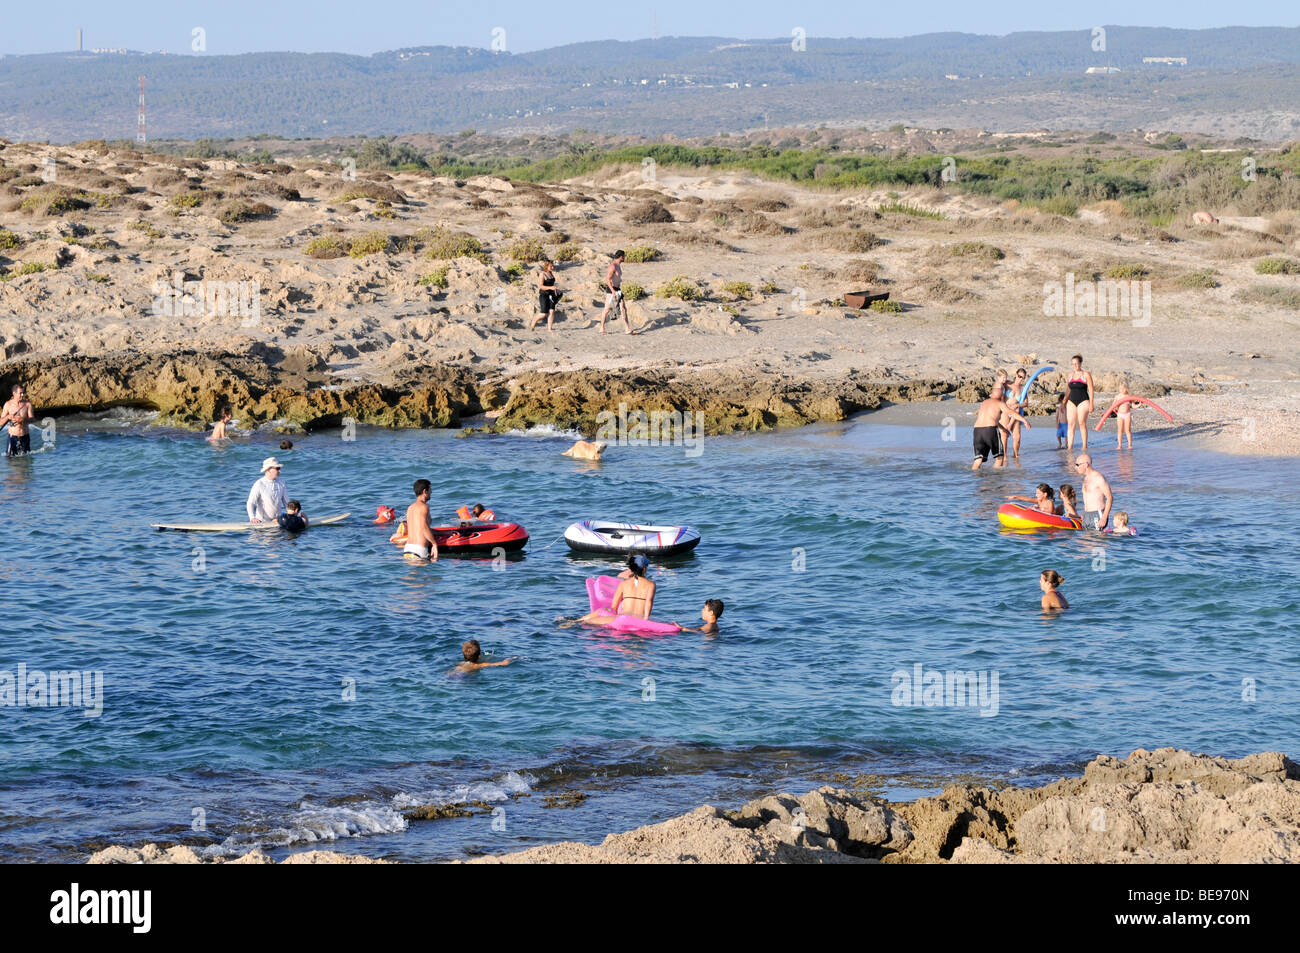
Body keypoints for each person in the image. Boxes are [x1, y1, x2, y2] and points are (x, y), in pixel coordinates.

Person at [581, 554, 657, 623]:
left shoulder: (623, 584)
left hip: (622, 619)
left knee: (590, 619)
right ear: (644, 569)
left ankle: (576, 622)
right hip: (638, 621)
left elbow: (614, 608)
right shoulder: (651, 585)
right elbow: (648, 603)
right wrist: (646, 620)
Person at [971, 384, 1030, 470]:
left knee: (978, 460)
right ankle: (994, 480)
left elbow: (991, 418)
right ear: (1002, 397)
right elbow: (1012, 412)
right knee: (999, 459)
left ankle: (973, 479)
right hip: (990, 431)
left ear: (991, 395)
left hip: (977, 431)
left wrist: (1003, 429)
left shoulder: (984, 403)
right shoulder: (1000, 403)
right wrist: (1025, 421)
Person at [597, 250, 635, 335]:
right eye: (624, 256)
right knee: (607, 309)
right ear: (621, 257)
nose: (625, 257)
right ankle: (601, 327)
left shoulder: (618, 266)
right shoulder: (613, 266)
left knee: (623, 308)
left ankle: (627, 329)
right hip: (611, 290)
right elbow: (607, 279)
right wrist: (613, 291)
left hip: (618, 289)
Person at [402, 479, 439, 562]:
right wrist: (434, 544)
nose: (431, 492)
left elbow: (418, 528)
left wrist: (443, 533)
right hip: (419, 550)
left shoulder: (410, 508)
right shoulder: (424, 507)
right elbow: (424, 528)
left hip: (408, 549)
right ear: (425, 491)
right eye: (430, 489)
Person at [1075, 453, 1113, 531]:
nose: (1075, 467)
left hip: (1097, 515)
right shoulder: (1086, 478)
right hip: (1087, 515)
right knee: (1087, 542)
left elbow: (1110, 498)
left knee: (1096, 541)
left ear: (1086, 464)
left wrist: (1104, 518)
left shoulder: (1099, 478)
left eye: (1077, 465)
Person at [1064, 354, 1094, 451]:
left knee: (1081, 423)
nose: (1075, 365)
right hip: (1071, 402)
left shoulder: (1086, 374)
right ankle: (1070, 446)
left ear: (1080, 363)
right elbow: (1068, 390)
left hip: (1083, 401)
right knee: (1071, 424)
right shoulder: (1070, 375)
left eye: (1076, 363)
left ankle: (1084, 446)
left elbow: (1091, 389)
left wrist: (1091, 403)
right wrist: (1064, 400)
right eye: (1073, 364)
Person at [246, 457, 288, 523]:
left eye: (279, 468)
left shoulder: (281, 483)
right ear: (268, 470)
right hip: (261, 522)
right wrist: (252, 518)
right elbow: (250, 503)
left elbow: (286, 503)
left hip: (277, 521)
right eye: (277, 468)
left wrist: (294, 515)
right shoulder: (259, 484)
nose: (279, 471)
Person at [1, 384, 35, 457]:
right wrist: (8, 417)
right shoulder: (8, 404)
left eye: (23, 393)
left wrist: (23, 419)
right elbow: (0, 422)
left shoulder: (27, 404)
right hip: (12, 437)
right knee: (9, 459)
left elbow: (32, 419)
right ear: (14, 393)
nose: (22, 395)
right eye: (20, 393)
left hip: (25, 437)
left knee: (26, 460)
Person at [529, 259, 561, 332]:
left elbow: (551, 284)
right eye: (551, 266)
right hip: (544, 295)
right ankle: (533, 322)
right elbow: (540, 286)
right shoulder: (542, 274)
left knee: (552, 311)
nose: (553, 268)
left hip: (551, 295)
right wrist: (551, 287)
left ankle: (549, 329)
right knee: (543, 314)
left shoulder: (551, 273)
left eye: (553, 266)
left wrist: (556, 289)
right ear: (546, 266)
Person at [1007, 367, 1029, 459]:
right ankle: (1003, 456)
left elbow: (1026, 403)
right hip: (1006, 411)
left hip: (1016, 414)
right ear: (1016, 375)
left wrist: (1018, 405)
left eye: (1022, 377)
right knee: (1004, 436)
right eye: (1019, 376)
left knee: (1017, 437)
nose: (1020, 379)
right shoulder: (1008, 384)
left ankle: (1015, 455)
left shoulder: (1023, 389)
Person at [1113, 381, 1134, 451]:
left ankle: (1130, 445)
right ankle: (1119, 445)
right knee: (1120, 431)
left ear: (1127, 388)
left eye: (1123, 388)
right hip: (1120, 415)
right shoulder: (1117, 397)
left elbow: (1133, 405)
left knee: (1128, 430)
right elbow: (1113, 406)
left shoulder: (1129, 397)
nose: (1122, 390)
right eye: (1120, 389)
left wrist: (1139, 405)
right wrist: (1114, 409)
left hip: (1127, 414)